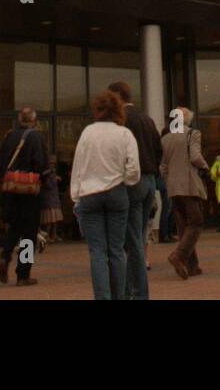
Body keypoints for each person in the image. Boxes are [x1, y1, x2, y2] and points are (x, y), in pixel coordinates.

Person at [71, 90, 140, 300]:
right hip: (117, 192)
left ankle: (103, 297)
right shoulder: (124, 134)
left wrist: (76, 196)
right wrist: (124, 180)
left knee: (97, 252)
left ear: (98, 109)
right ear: (119, 110)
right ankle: (119, 296)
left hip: (90, 195)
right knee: (117, 250)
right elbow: (134, 169)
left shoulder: (87, 133)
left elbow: (78, 167)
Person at [107, 81, 162, 301]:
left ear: (118, 97)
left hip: (133, 181)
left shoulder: (122, 120)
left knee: (133, 242)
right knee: (137, 238)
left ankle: (137, 293)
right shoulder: (147, 119)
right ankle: (130, 290)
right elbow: (159, 150)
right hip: (149, 181)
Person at [0, 106, 48, 286]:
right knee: (29, 232)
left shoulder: (9, 136)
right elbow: (41, 164)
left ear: (19, 119)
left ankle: (5, 256)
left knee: (14, 227)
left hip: (11, 188)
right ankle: (23, 274)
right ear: (33, 120)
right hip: (29, 191)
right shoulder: (36, 137)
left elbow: (0, 163)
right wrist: (45, 182)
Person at [160, 107, 209, 280]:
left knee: (183, 226)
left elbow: (163, 166)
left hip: (173, 187)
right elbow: (195, 156)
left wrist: (169, 182)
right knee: (196, 222)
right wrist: (205, 167)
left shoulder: (165, 138)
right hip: (188, 184)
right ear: (186, 119)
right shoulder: (192, 134)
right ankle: (179, 255)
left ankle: (192, 265)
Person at [40, 154, 63, 244]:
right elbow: (47, 184)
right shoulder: (46, 173)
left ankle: (54, 235)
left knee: (55, 220)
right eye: (51, 163)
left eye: (54, 163)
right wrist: (54, 179)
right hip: (48, 198)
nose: (52, 165)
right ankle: (47, 235)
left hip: (54, 198)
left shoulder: (53, 173)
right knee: (49, 220)